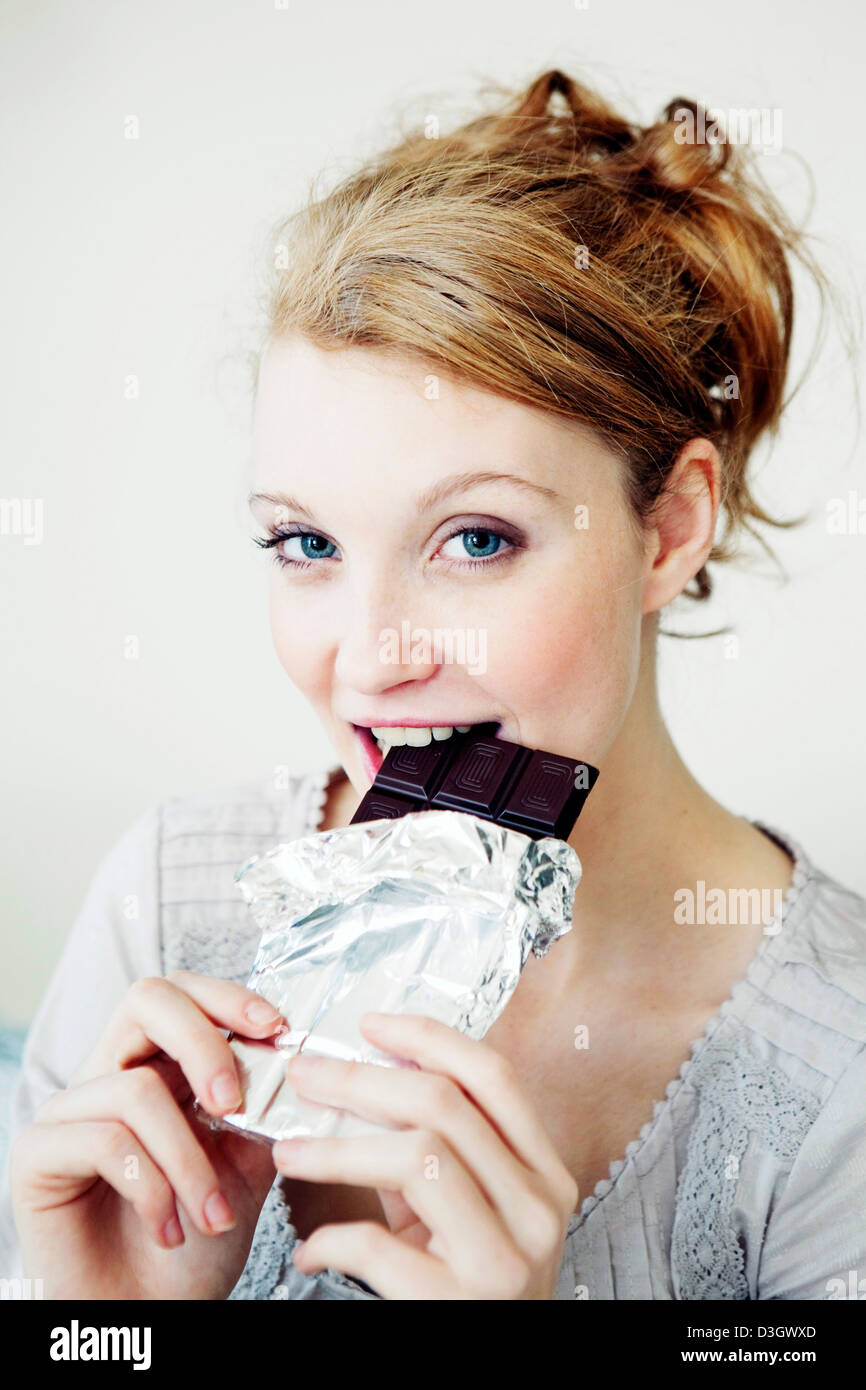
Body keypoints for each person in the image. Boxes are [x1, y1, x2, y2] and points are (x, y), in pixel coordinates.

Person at [3, 67, 865, 1301]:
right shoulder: (161, 909)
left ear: (668, 530)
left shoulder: (835, 1070)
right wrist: (104, 1332)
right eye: (306, 544)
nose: (367, 659)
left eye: (474, 539)